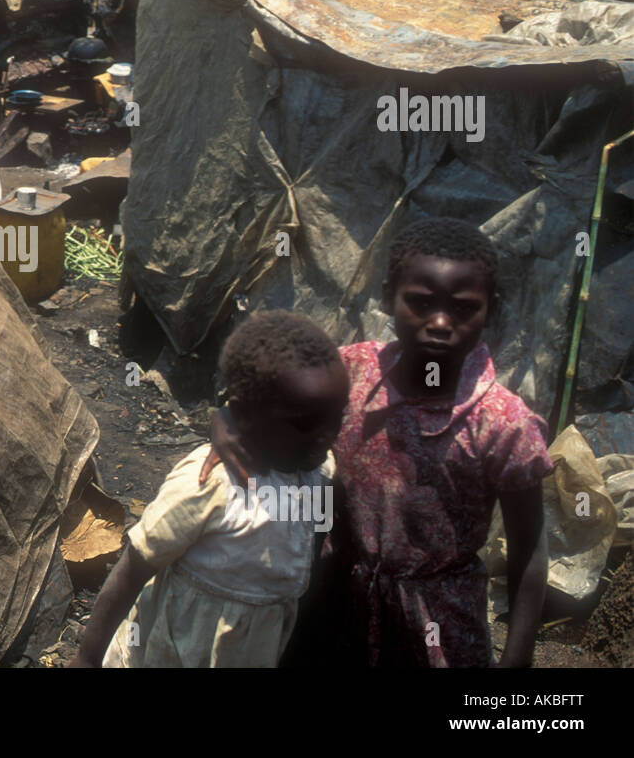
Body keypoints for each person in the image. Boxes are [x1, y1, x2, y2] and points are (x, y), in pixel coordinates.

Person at [212, 217, 553, 667]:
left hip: (438, 619)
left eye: (464, 309)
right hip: (334, 596)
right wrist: (226, 419)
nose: (440, 322)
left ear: (491, 311)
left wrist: (518, 655)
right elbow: (265, 395)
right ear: (389, 295)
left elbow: (528, 545)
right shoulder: (351, 372)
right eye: (421, 303)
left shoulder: (503, 423)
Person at [70, 311, 348, 668]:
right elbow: (132, 570)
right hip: (175, 650)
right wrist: (87, 657)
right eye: (306, 423)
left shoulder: (319, 473)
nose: (327, 434)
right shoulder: (209, 483)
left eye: (337, 417)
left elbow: (311, 548)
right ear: (244, 414)